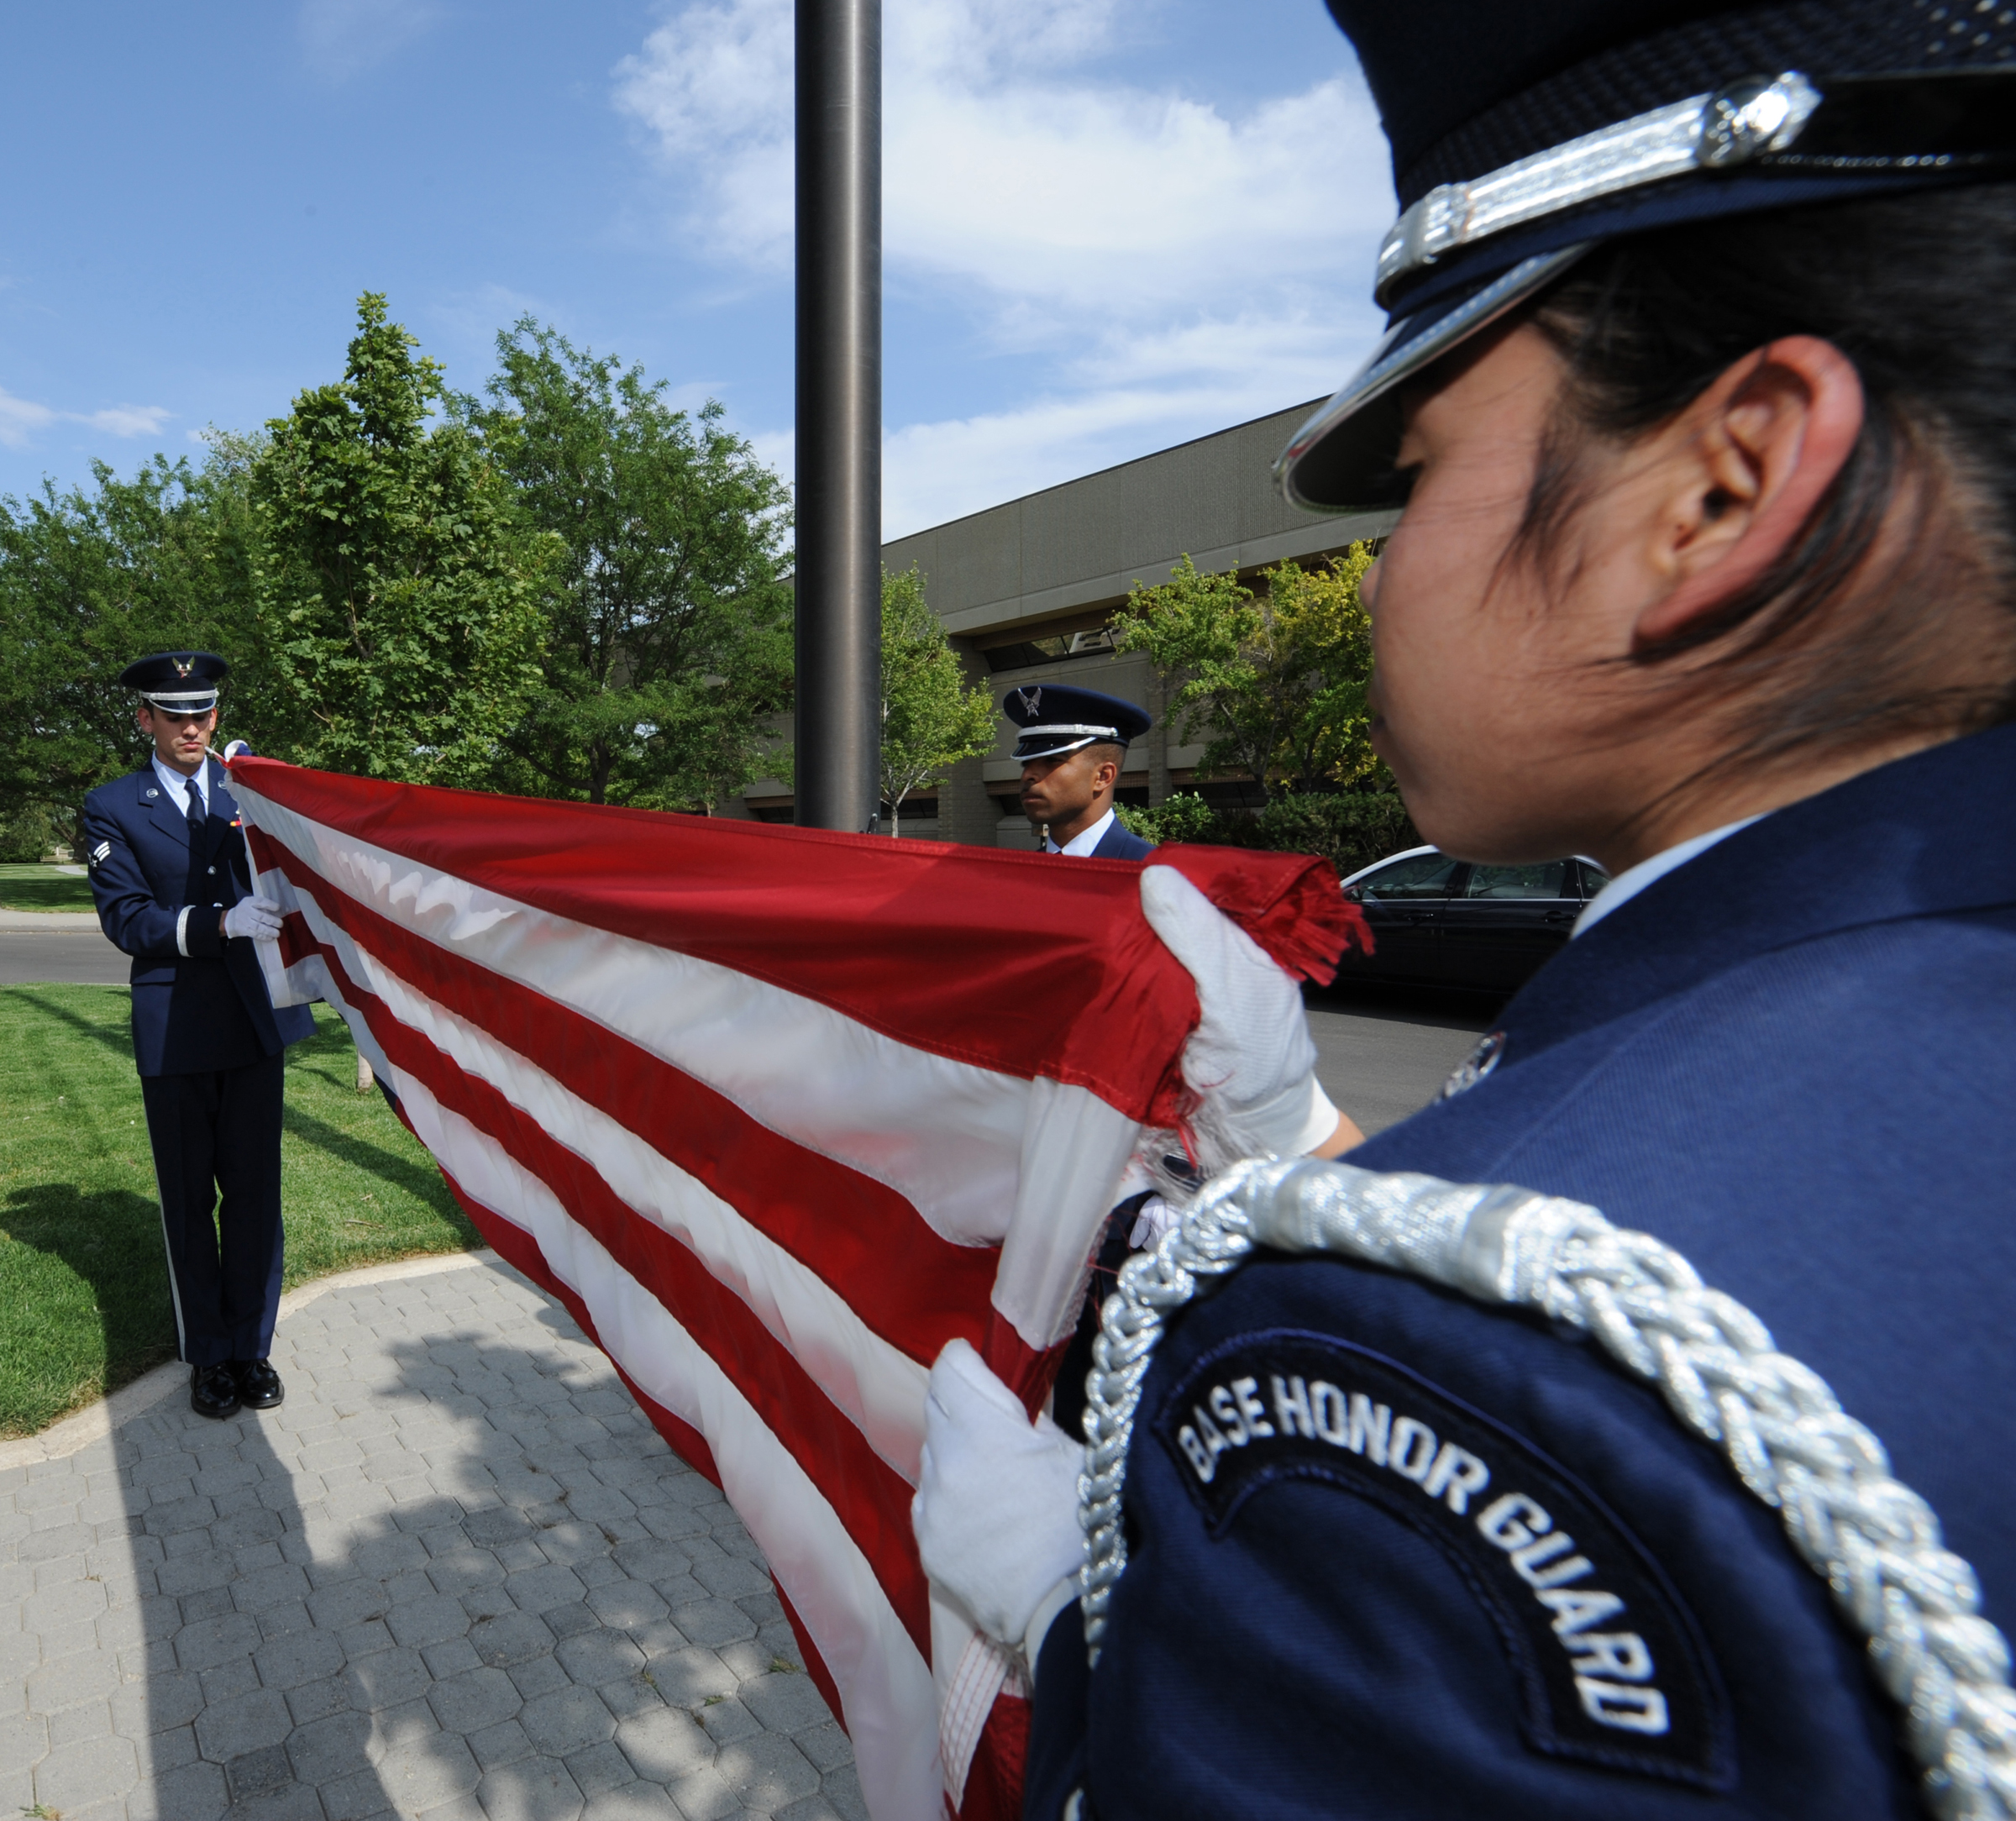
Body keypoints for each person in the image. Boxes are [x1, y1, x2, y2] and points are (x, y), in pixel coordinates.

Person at [911, 3, 2016, 1817]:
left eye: (1421, 472)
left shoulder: (1452, 1375)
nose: (1387, 569)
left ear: (1722, 490)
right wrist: (1306, 1151)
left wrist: (1086, 1641)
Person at [84, 653, 316, 1420]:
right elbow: (128, 919)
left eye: (204, 712)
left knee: (254, 1197)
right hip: (176, 1024)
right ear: (144, 718)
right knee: (189, 1201)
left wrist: (270, 794)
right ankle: (208, 1356)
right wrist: (217, 923)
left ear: (217, 715)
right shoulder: (114, 805)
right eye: (174, 713)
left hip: (255, 1019)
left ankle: (252, 1347)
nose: (192, 726)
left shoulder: (251, 789)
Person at [1005, 683, 1157, 858]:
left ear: (1103, 777)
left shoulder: (1150, 873)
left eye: (1052, 760)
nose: (1028, 775)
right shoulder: (1020, 875)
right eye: (1026, 763)